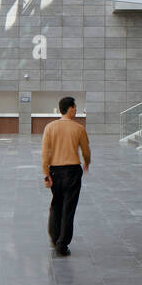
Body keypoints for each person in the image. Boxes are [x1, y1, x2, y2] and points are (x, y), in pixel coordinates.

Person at [41, 96, 90, 257]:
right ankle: (62, 245)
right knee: (68, 209)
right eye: (75, 108)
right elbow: (85, 150)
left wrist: (46, 174)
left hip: (55, 171)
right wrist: (87, 162)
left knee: (56, 205)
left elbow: (45, 153)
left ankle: (55, 239)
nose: (76, 110)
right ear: (69, 108)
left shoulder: (49, 127)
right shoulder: (79, 128)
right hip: (72, 172)